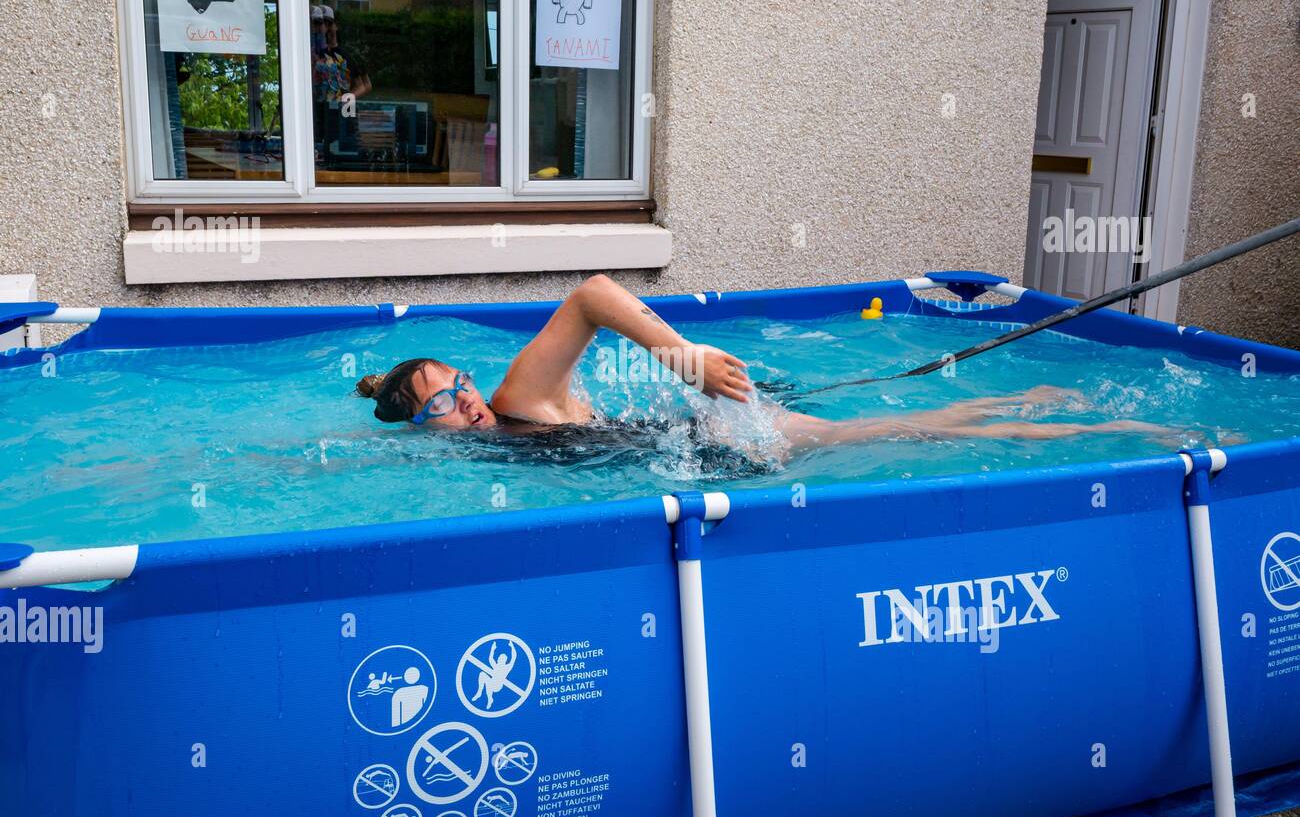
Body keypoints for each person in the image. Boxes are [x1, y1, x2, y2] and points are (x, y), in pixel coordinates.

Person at [355, 274, 1178, 453]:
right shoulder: (486, 444)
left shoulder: (518, 398)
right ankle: (1042, 409)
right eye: (440, 404)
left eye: (455, 382)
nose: (464, 401)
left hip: (711, 429)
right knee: (882, 430)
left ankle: (1086, 422)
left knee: (890, 433)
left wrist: (685, 356)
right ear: (420, 430)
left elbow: (592, 294)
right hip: (696, 443)